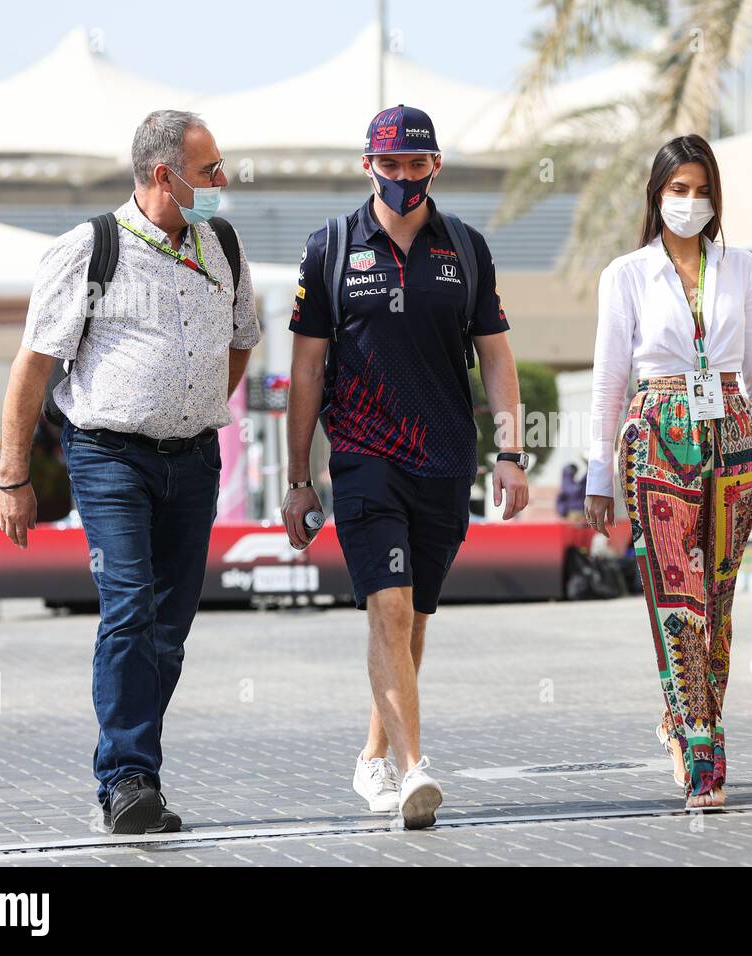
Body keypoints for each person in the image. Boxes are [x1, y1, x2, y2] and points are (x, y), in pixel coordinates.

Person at [0, 110, 261, 832]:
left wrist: (195, 400)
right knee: (130, 612)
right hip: (109, 457)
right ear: (163, 176)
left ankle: (129, 762)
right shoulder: (88, 250)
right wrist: (13, 476)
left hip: (194, 460)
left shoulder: (224, 246)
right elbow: (34, 366)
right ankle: (129, 778)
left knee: (169, 626)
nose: (222, 182)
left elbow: (239, 342)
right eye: (210, 171)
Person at [282, 105, 528, 830]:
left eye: (414, 166)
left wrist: (511, 453)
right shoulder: (329, 248)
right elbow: (305, 372)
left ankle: (371, 758)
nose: (401, 179)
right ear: (368, 165)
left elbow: (497, 356)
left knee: (412, 620)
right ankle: (415, 767)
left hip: (445, 459)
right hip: (362, 458)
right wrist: (298, 479)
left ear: (435, 166)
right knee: (387, 608)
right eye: (388, 166)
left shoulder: (467, 248)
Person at [584, 134, 752, 811]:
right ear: (656, 196)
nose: (689, 202)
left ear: (715, 195)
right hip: (657, 437)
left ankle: (683, 715)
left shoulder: (742, 268)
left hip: (734, 440)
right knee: (675, 598)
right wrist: (601, 475)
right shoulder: (626, 273)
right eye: (676, 189)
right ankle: (703, 745)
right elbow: (608, 381)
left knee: (715, 604)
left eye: (699, 189)